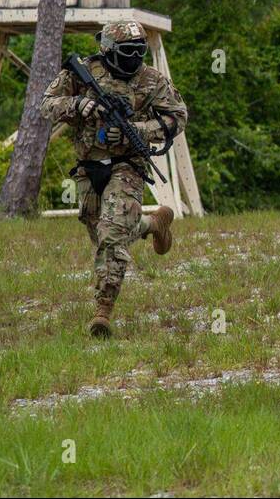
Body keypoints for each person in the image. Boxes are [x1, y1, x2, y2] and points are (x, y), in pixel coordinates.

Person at [40, 20, 187, 337]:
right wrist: (80, 105)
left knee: (112, 234)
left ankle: (102, 312)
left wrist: (139, 130)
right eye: (127, 51)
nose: (134, 57)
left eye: (139, 51)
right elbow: (46, 105)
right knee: (102, 234)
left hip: (128, 165)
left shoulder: (151, 80)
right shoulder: (82, 72)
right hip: (88, 167)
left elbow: (177, 117)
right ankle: (152, 224)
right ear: (108, 50)